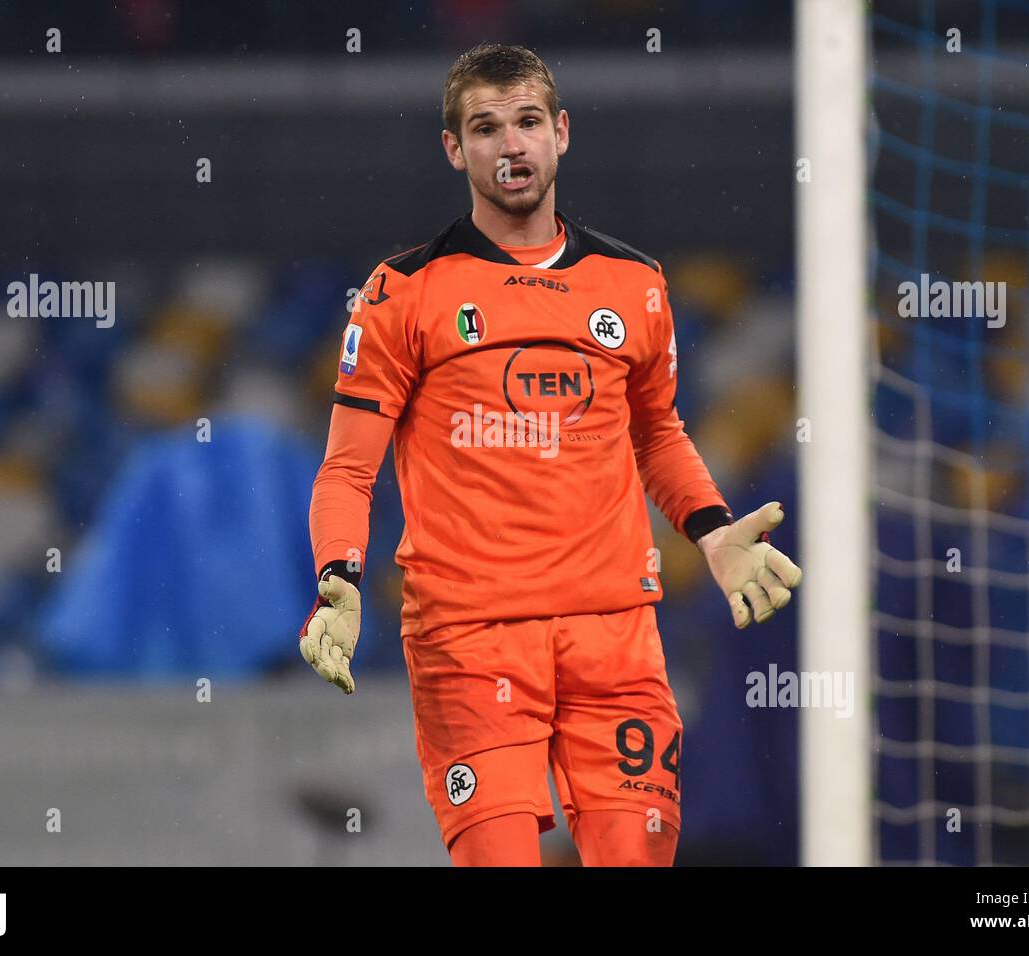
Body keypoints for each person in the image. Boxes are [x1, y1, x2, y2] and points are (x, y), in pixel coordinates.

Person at [299, 42, 802, 867]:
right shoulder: (403, 292)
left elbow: (657, 433)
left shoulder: (634, 284)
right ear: (454, 149)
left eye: (528, 121)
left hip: (614, 634)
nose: (512, 145)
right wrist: (340, 581)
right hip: (470, 639)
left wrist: (713, 536)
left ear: (561, 132)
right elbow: (349, 468)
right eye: (486, 128)